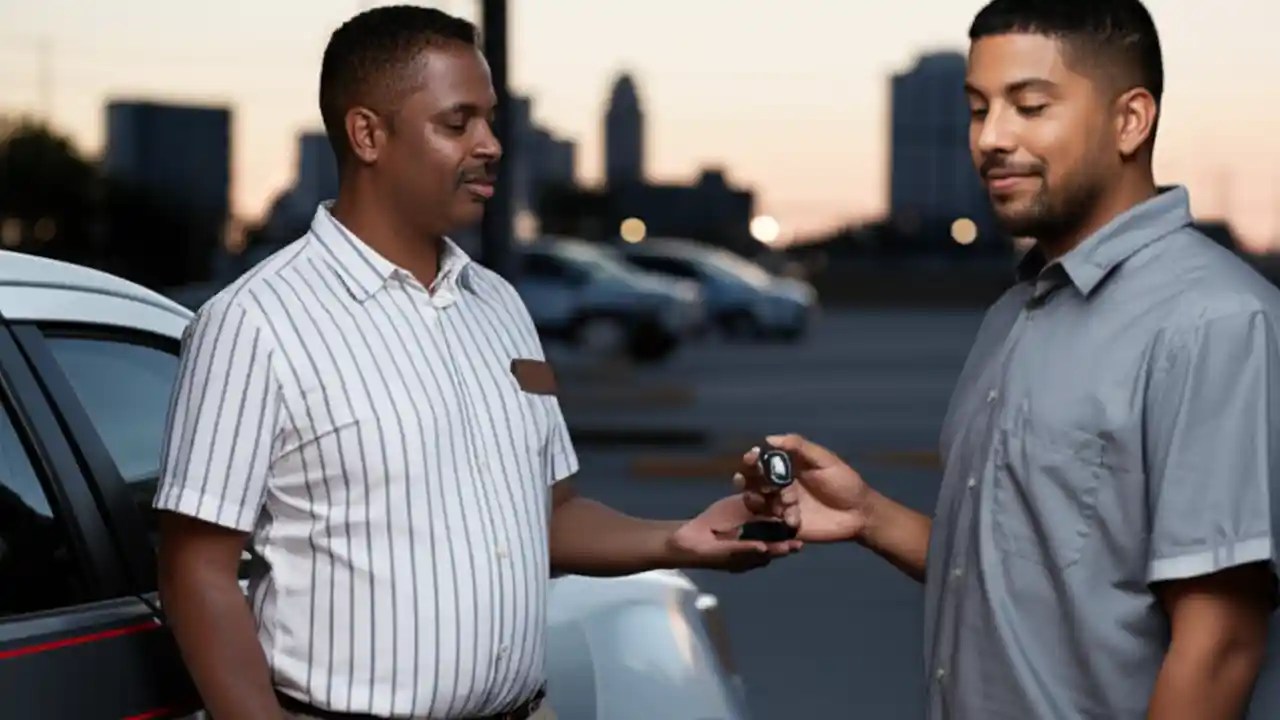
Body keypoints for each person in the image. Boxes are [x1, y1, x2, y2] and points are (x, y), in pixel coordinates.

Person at [152, 7, 798, 720]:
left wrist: (678, 538)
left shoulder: (500, 307)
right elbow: (196, 569)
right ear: (368, 133)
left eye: (491, 121)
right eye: (457, 123)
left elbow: (551, 515)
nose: (491, 145)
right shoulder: (253, 323)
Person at [739, 0, 1280, 717]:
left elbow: (1220, 649)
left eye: (1029, 106)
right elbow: (1034, 579)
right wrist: (870, 516)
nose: (991, 138)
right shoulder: (1016, 312)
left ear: (1131, 120)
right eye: (976, 109)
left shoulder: (1214, 321)